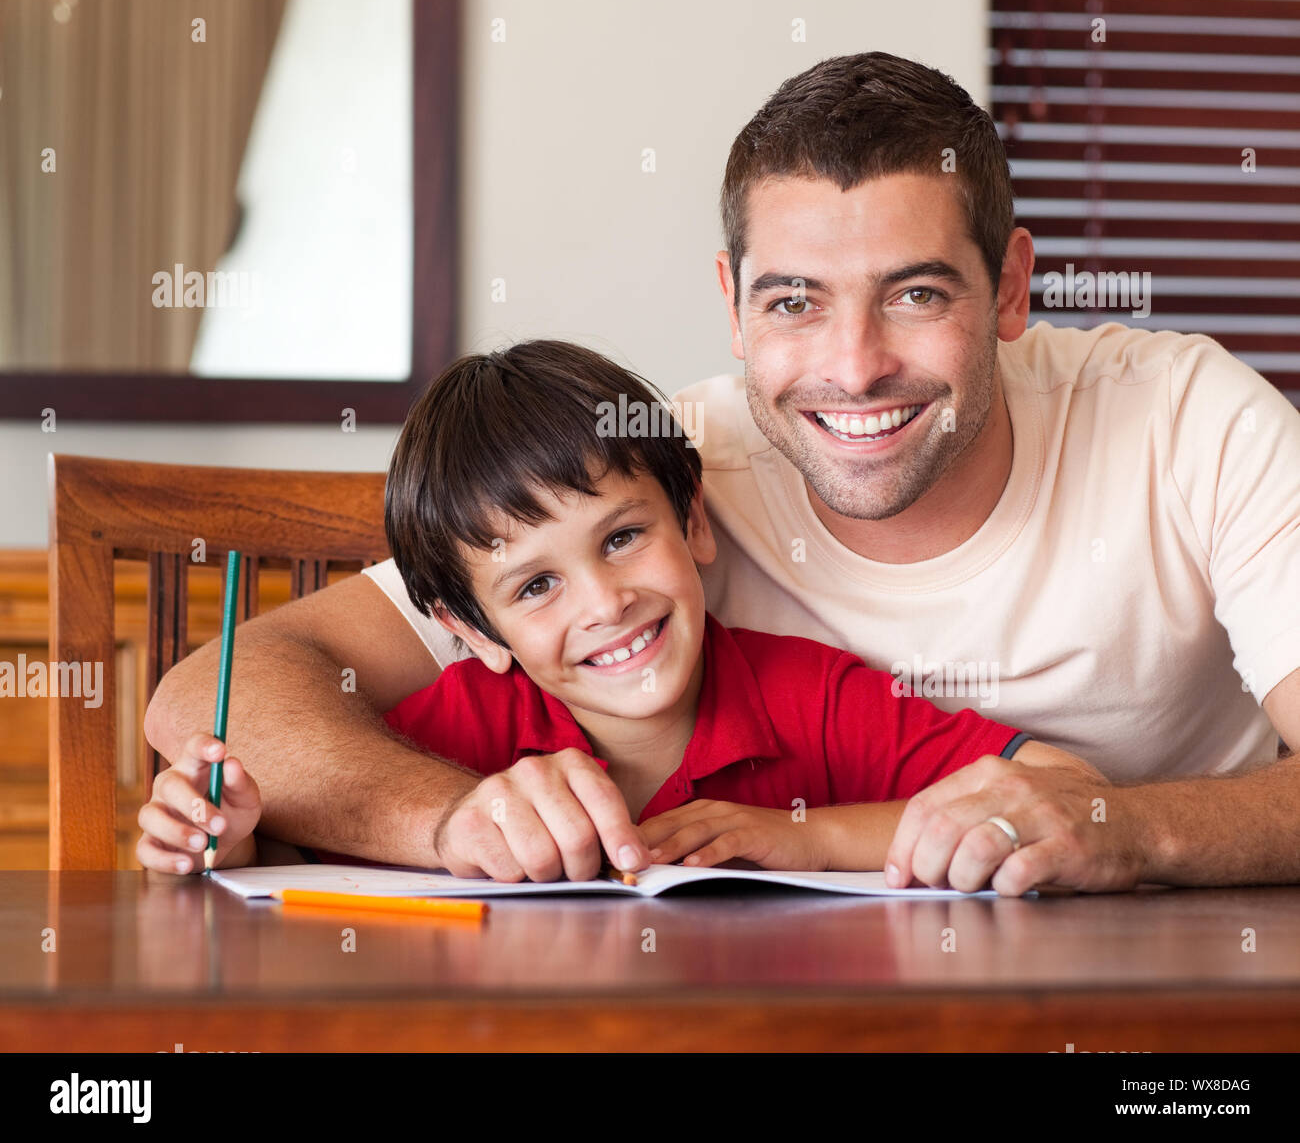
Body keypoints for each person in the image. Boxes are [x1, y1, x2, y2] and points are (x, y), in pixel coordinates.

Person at [145, 51, 1300, 895]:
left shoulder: (1187, 416)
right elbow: (211, 699)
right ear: (733, 307)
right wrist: (454, 817)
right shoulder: (642, 466)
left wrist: (1124, 827)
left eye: (916, 292)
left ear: (1006, 287)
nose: (853, 368)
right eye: (794, 301)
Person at [137, 341, 1098, 881]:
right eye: (536, 586)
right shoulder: (453, 737)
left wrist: (804, 837)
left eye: (623, 537)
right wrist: (227, 833)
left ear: (693, 522)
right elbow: (293, 853)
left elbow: (1063, 786)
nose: (607, 601)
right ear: (472, 632)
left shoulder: (816, 695)